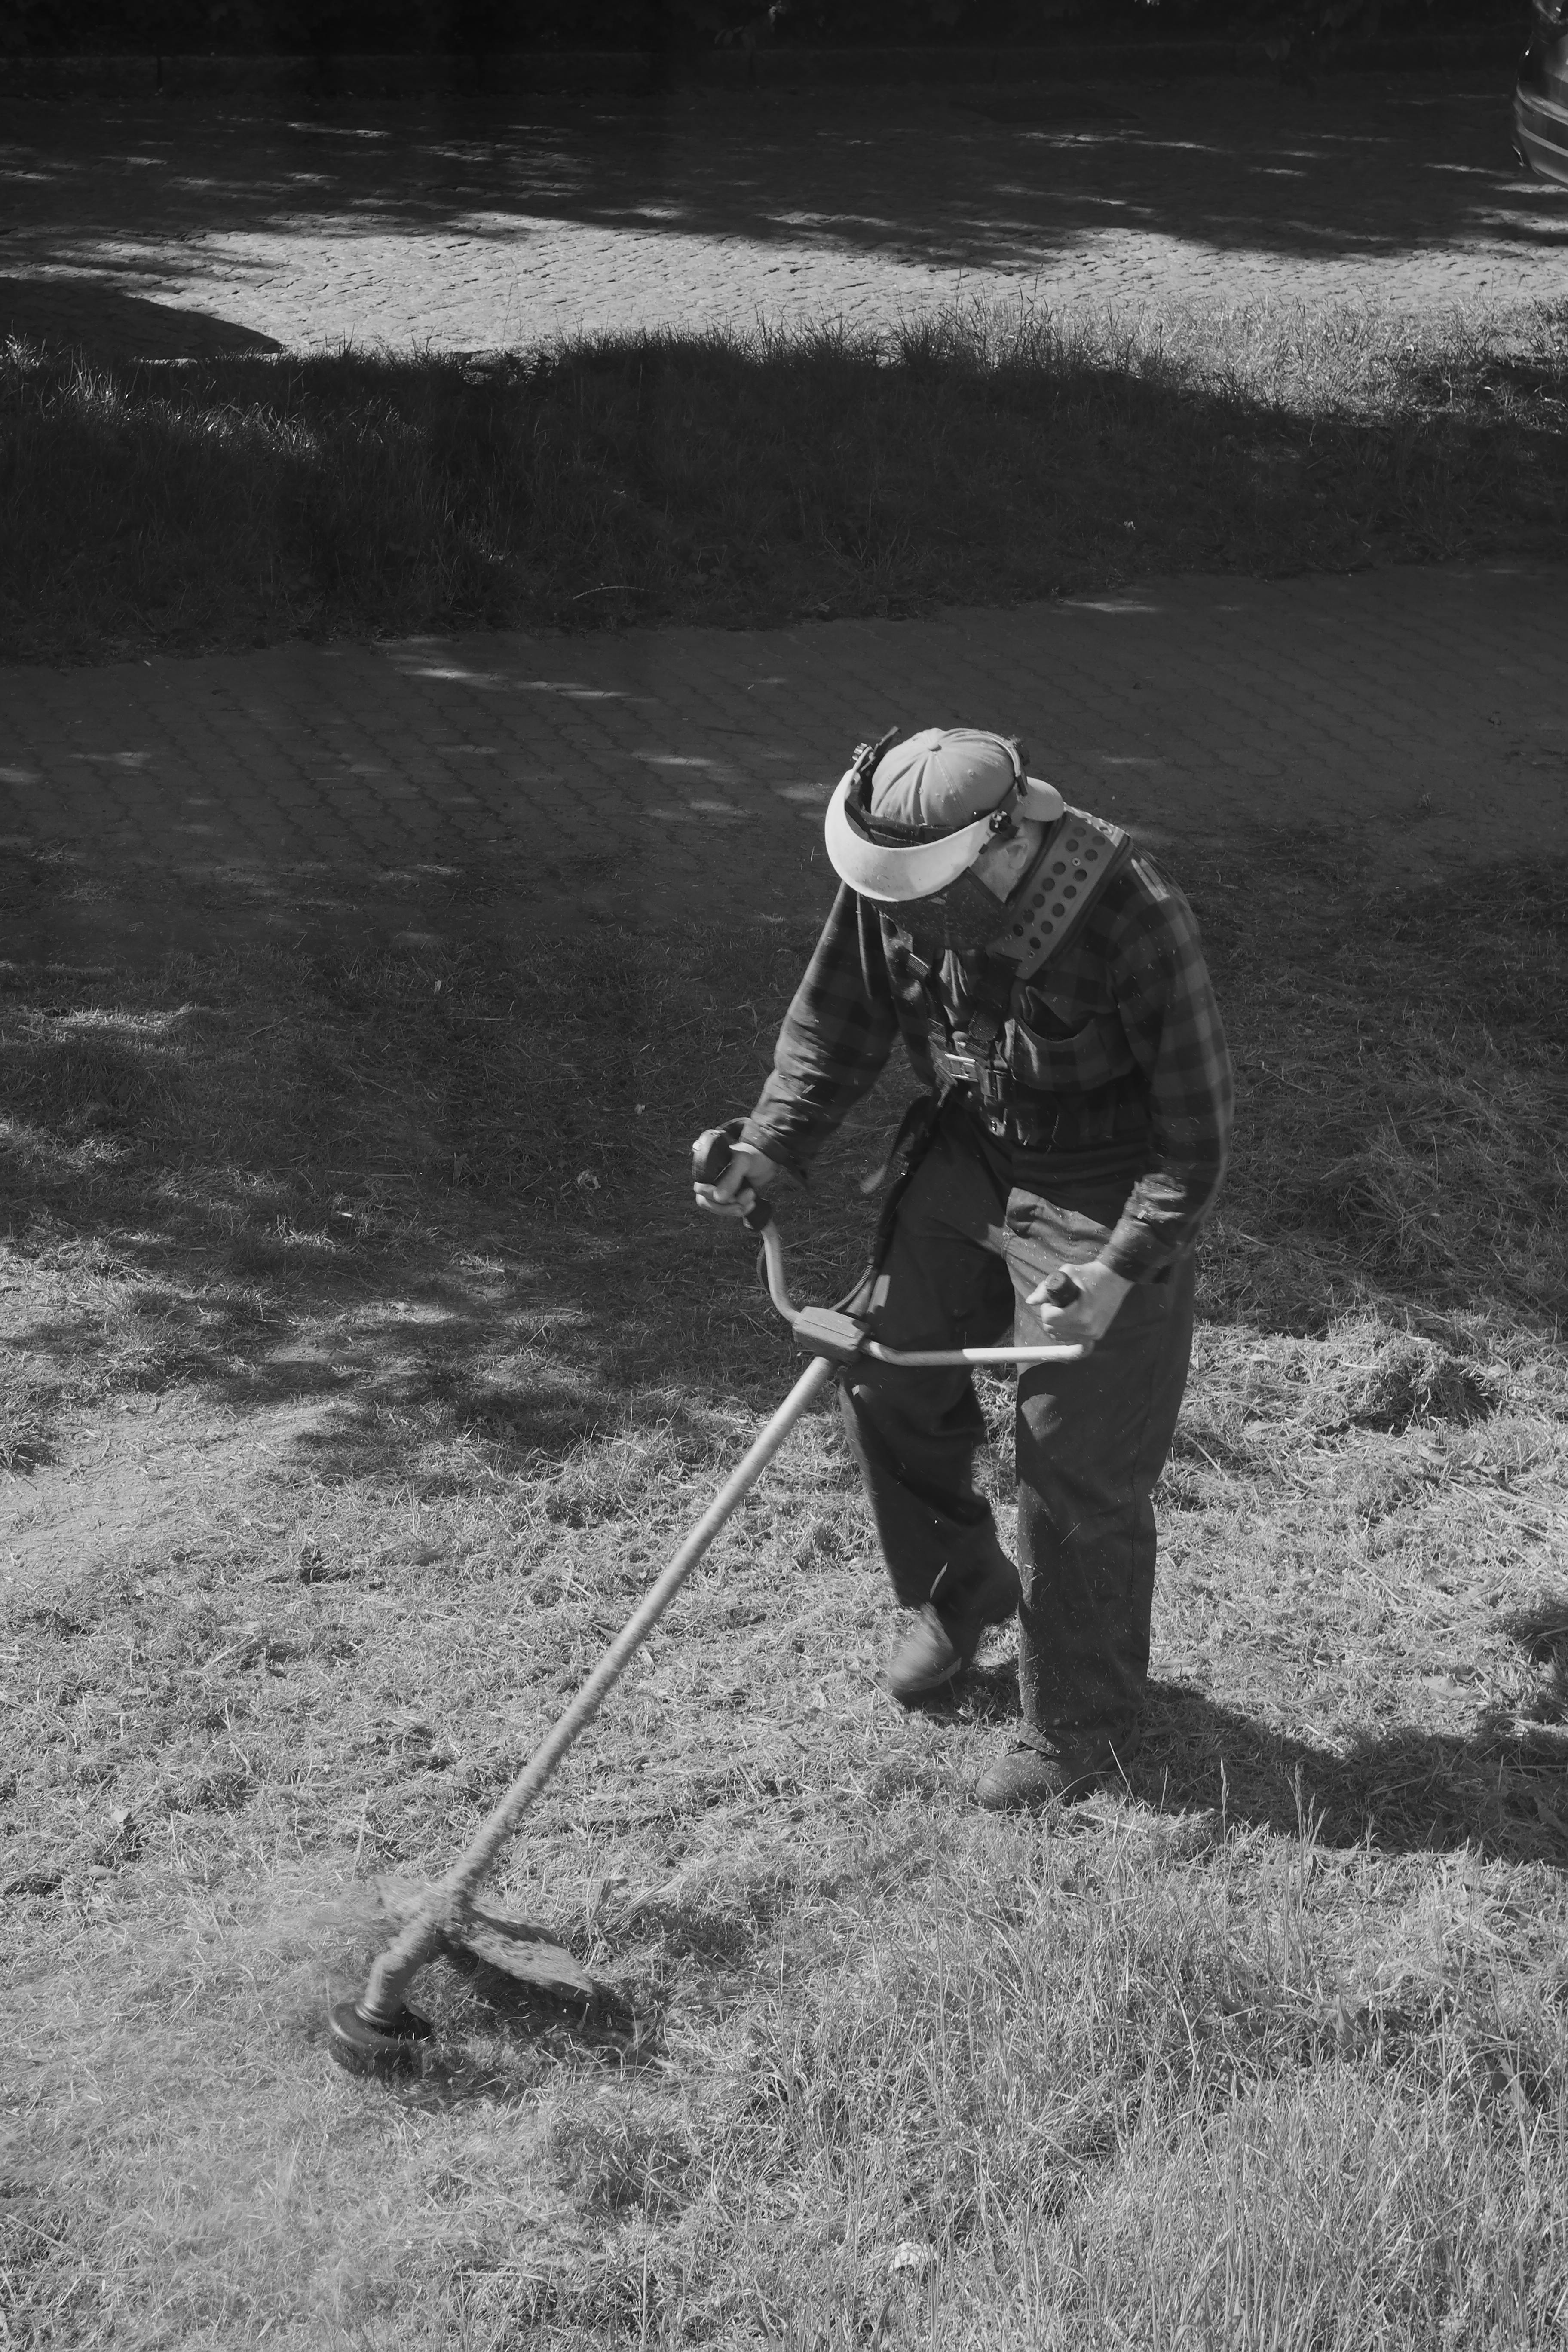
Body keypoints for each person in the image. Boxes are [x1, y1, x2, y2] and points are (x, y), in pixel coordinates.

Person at [695, 726, 1232, 1806]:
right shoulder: (897, 873)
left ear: (1002, 836)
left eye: (922, 888)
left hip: (1106, 1174)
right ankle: (959, 1589)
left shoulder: (1135, 914)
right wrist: (768, 1142)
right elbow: (835, 1020)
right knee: (885, 1366)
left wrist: (1120, 1270)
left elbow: (1196, 1147)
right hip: (975, 1139)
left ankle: (1081, 1722)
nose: (900, 908)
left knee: (1072, 1452)